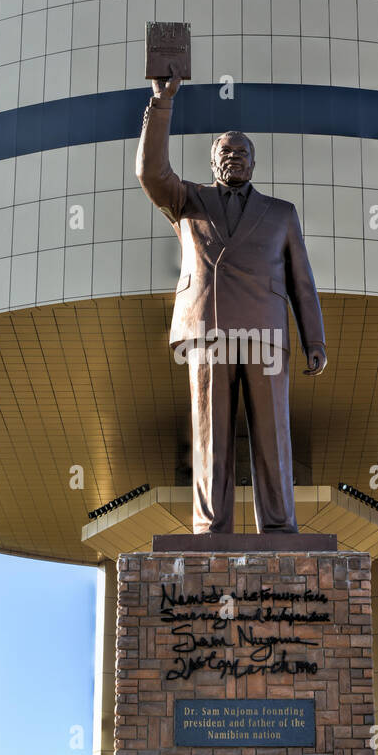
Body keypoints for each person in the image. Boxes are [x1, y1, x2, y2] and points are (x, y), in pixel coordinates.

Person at [135, 66, 327, 533]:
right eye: (227, 152)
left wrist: (313, 339)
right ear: (213, 161)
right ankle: (210, 528)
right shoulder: (187, 202)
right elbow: (150, 171)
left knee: (272, 437)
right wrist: (162, 103)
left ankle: (280, 528)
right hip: (209, 332)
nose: (235, 158)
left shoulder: (282, 214)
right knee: (211, 437)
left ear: (254, 164)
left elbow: (302, 281)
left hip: (264, 333)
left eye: (243, 153)